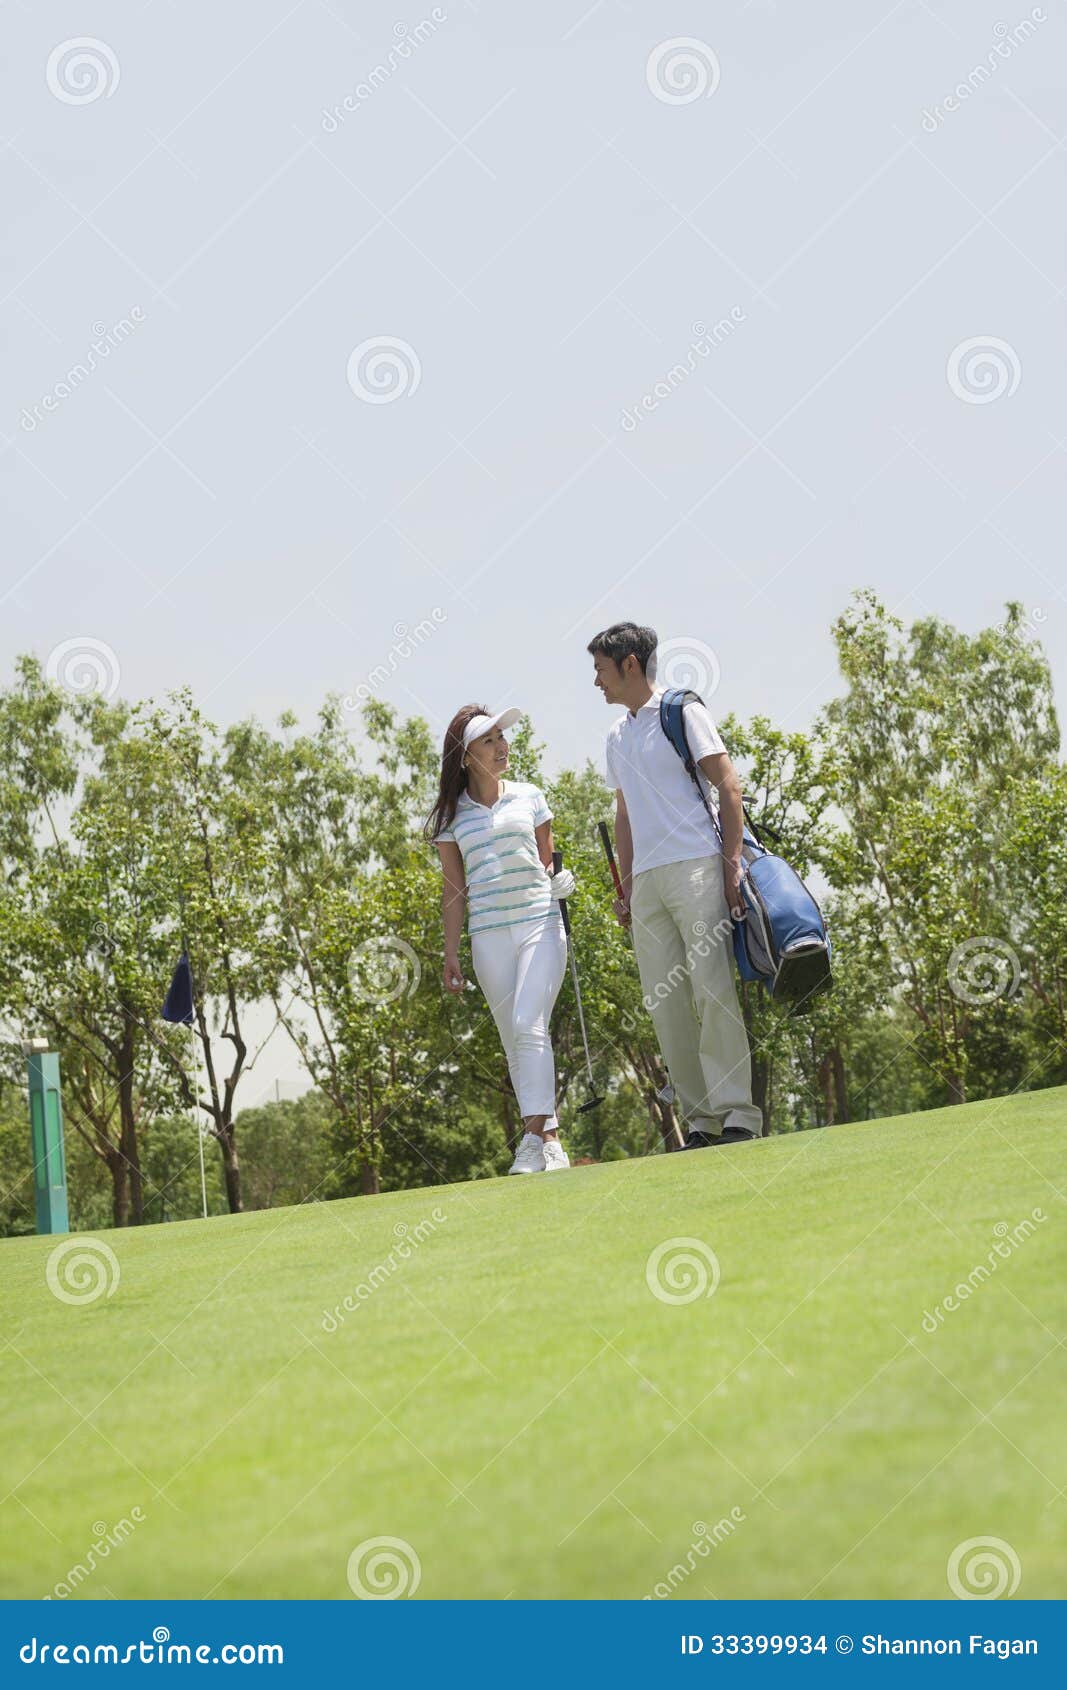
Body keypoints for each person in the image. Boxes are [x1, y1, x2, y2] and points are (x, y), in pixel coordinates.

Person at [589, 623, 763, 1147]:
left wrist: (731, 865)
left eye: (600, 669)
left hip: (697, 868)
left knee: (712, 990)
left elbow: (729, 786)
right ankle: (701, 1121)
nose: (595, 681)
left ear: (631, 664)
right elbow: (624, 816)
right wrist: (624, 885)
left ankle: (738, 1115)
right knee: (664, 1004)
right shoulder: (616, 736)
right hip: (648, 884)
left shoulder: (683, 710)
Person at [427, 704, 574, 1174]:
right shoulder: (453, 819)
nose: (501, 746)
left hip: (539, 922)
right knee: (515, 1038)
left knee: (529, 1022)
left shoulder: (530, 796)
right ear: (466, 755)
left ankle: (537, 1138)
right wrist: (450, 952)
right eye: (488, 740)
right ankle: (546, 1138)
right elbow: (454, 889)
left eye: (501, 738)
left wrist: (559, 878)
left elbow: (547, 861)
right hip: (488, 934)